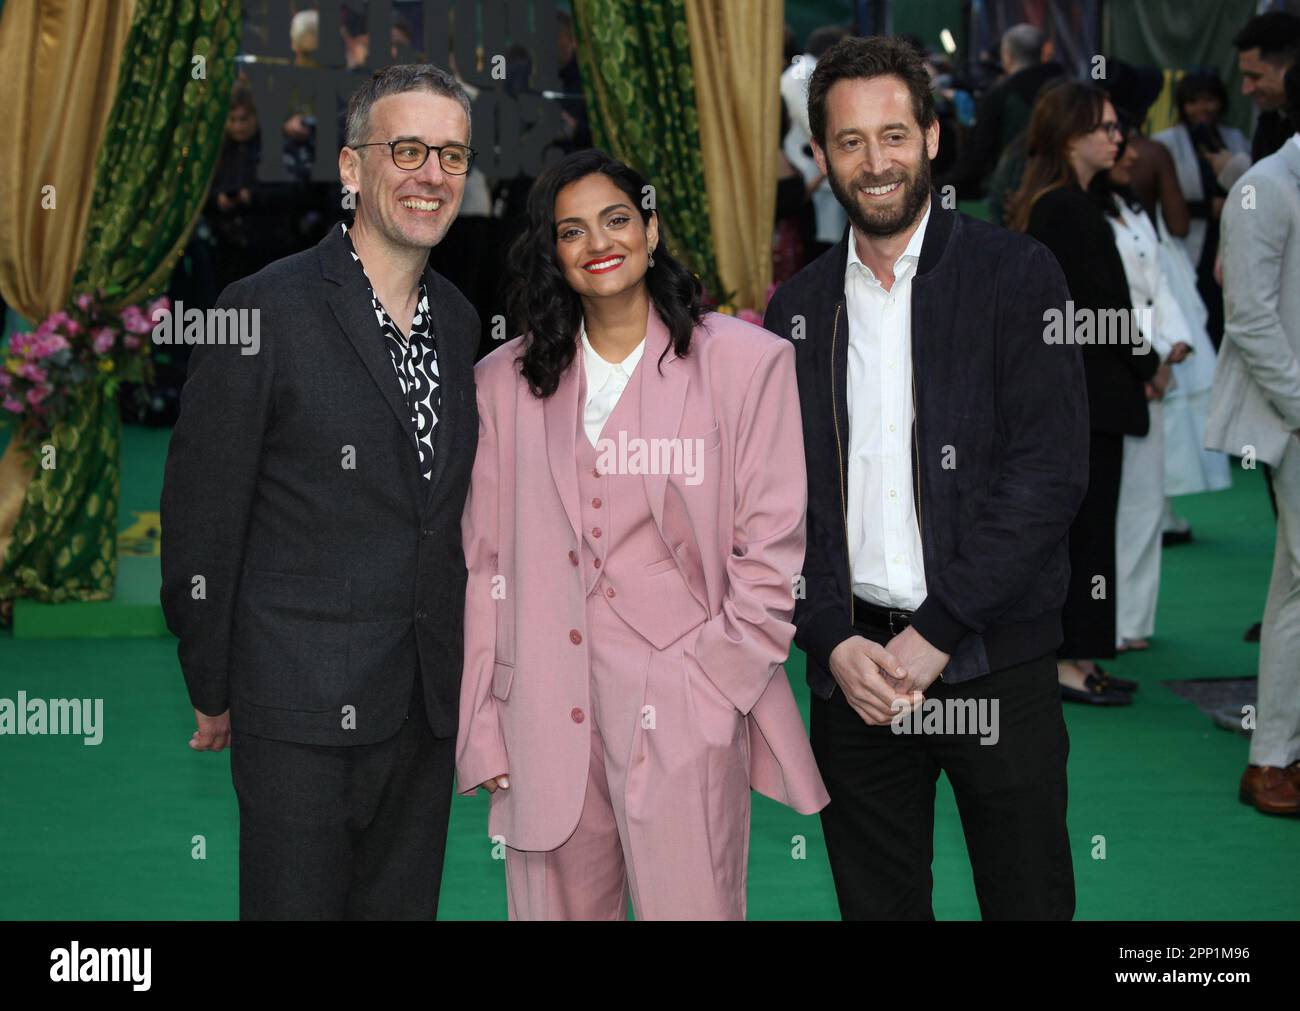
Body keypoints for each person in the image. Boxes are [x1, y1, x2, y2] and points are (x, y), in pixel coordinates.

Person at [456, 149, 828, 920]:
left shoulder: (746, 364)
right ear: (552, 254)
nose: (599, 241)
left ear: (652, 229)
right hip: (541, 706)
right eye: (572, 230)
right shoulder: (502, 382)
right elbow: (483, 561)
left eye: (617, 219)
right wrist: (483, 723)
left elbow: (773, 546)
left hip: (685, 697)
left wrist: (719, 685)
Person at [764, 36, 1087, 920]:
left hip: (991, 663)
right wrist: (827, 634)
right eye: (851, 141)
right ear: (821, 153)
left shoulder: (1017, 276)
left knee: (1028, 901)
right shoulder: (795, 312)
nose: (876, 162)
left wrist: (939, 629)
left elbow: (1048, 474)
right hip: (855, 675)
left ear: (933, 138)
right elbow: (778, 505)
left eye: (895, 135)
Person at [160, 64, 481, 919]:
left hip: (422, 707)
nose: (432, 175)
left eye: (451, 155)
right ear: (350, 167)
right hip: (295, 709)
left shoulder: (458, 318)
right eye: (406, 149)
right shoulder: (258, 310)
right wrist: (214, 681)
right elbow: (202, 519)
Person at [1009, 80, 1160, 705]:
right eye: (1103, 127)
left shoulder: (1067, 202)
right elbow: (1097, 306)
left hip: (1085, 393)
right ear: (1070, 135)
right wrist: (1146, 357)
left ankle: (1082, 655)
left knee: (1091, 529)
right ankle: (1070, 659)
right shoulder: (1064, 208)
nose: (1116, 136)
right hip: (1084, 397)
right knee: (1085, 531)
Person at [1207, 63, 1300, 817]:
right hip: (1293, 419)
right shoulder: (1265, 187)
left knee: (1293, 592)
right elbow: (1249, 317)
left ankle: (1273, 754)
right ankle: (1271, 759)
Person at [1101, 130, 1196, 652]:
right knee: (1107, 504)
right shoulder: (1077, 214)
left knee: (1144, 501)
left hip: (1154, 361)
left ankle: (1132, 620)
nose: (1132, 152)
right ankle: (1102, 620)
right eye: (1117, 139)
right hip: (1118, 370)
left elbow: (1162, 285)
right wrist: (1146, 362)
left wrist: (1175, 343)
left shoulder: (1132, 209)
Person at [1153, 72, 1249, 348]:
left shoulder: (1235, 139)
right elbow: (1164, 200)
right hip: (1189, 243)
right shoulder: (1167, 143)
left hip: (1227, 241)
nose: (1201, 108)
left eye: (1208, 100)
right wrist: (1208, 208)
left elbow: (1251, 189)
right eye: (1192, 102)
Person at [937, 23, 1063, 200]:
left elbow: (975, 162)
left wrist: (937, 187)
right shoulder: (1069, 92)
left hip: (1011, 198)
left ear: (1008, 57)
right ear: (1043, 51)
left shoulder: (999, 97)